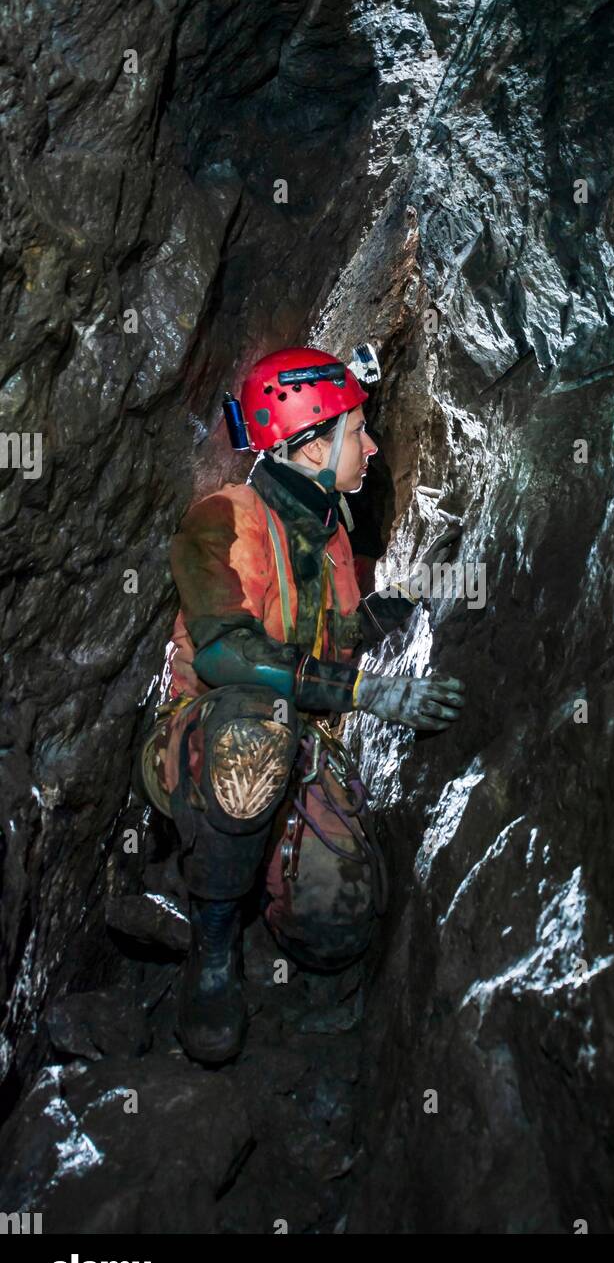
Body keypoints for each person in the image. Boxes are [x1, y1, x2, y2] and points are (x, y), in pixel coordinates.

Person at [135, 344, 465, 1066]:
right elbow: (226, 656)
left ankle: (258, 870)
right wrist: (367, 692)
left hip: (295, 751)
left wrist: (412, 598)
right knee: (256, 725)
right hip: (205, 743)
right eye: (358, 432)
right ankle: (213, 947)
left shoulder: (330, 533)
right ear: (312, 445)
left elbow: (334, 637)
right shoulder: (226, 518)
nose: (371, 447)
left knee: (338, 922)